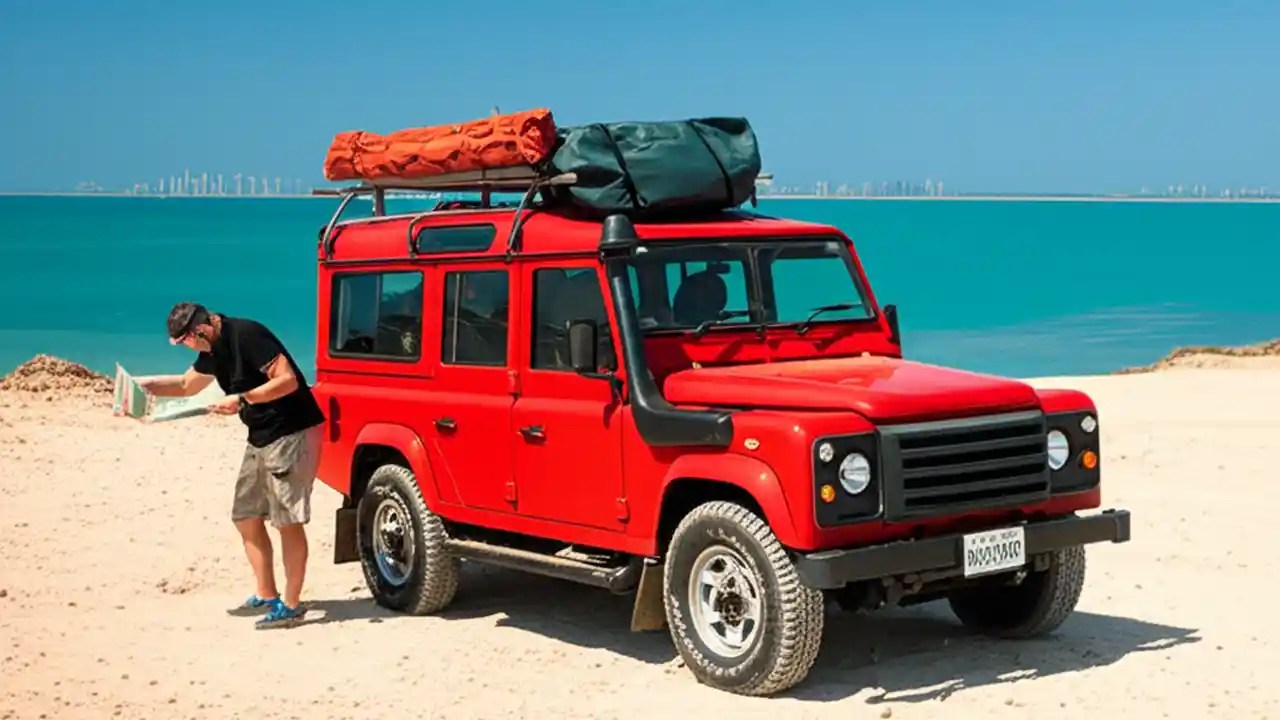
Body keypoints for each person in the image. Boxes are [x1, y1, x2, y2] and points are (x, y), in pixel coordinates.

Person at [141, 302, 326, 629]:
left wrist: (242, 399)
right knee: (246, 516)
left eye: (184, 341)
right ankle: (267, 594)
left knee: (287, 521)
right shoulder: (212, 349)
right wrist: (146, 389)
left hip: (292, 430)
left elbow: (288, 381)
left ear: (200, 329)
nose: (184, 347)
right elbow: (186, 386)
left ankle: (292, 605)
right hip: (260, 434)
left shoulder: (247, 334)